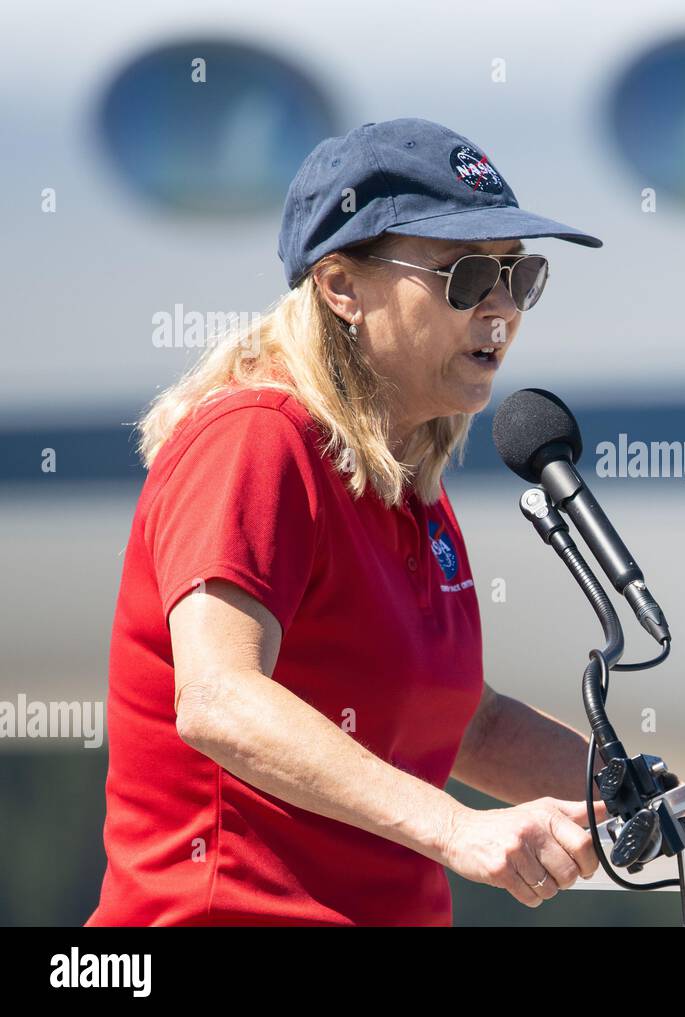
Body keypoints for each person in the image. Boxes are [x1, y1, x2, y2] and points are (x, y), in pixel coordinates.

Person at [86, 117, 611, 925]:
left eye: (519, 273)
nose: (502, 306)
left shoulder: (403, 483)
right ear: (342, 288)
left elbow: (460, 716)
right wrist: (459, 830)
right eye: (467, 275)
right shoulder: (255, 439)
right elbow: (218, 695)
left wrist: (655, 798)